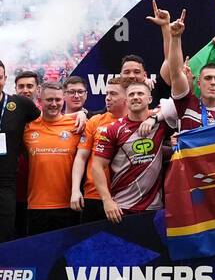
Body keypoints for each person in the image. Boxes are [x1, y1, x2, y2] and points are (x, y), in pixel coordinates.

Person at [91, 81, 176, 220]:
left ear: (150, 99)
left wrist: (153, 118)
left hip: (154, 208)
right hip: (121, 208)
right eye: (131, 94)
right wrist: (107, 201)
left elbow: (178, 103)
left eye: (140, 93)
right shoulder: (112, 129)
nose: (135, 97)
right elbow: (97, 166)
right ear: (126, 100)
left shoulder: (160, 124)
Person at [22, 81, 82, 234]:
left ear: (64, 100)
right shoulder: (28, 128)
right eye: (49, 100)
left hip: (70, 205)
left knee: (68, 256)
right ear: (40, 101)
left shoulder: (77, 125)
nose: (54, 104)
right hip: (37, 206)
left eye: (58, 100)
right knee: (39, 256)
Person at [71, 76, 127, 222]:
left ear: (127, 97)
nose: (108, 98)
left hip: (125, 195)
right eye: (107, 94)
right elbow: (81, 157)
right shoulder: (95, 121)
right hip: (93, 195)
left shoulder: (140, 121)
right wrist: (75, 189)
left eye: (113, 94)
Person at [0, 59, 41, 243]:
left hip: (5, 181)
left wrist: (81, 113)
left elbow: (50, 119)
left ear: (5, 79)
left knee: (6, 233)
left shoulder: (20, 104)